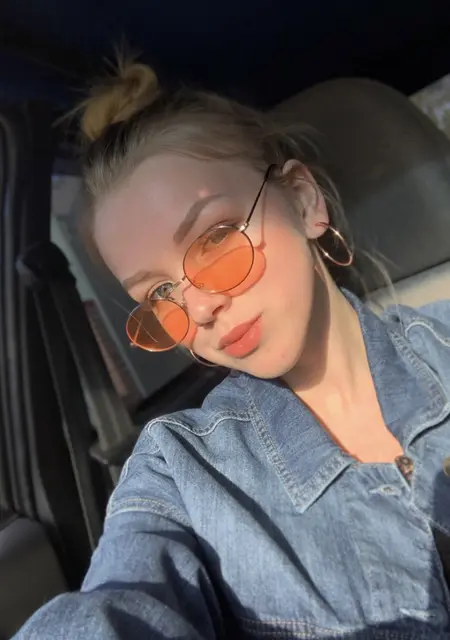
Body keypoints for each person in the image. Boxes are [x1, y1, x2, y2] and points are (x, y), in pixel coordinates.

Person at [14, 58, 450, 640]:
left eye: (216, 238)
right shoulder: (180, 472)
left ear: (304, 202)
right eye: (159, 293)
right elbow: (118, 608)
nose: (197, 309)